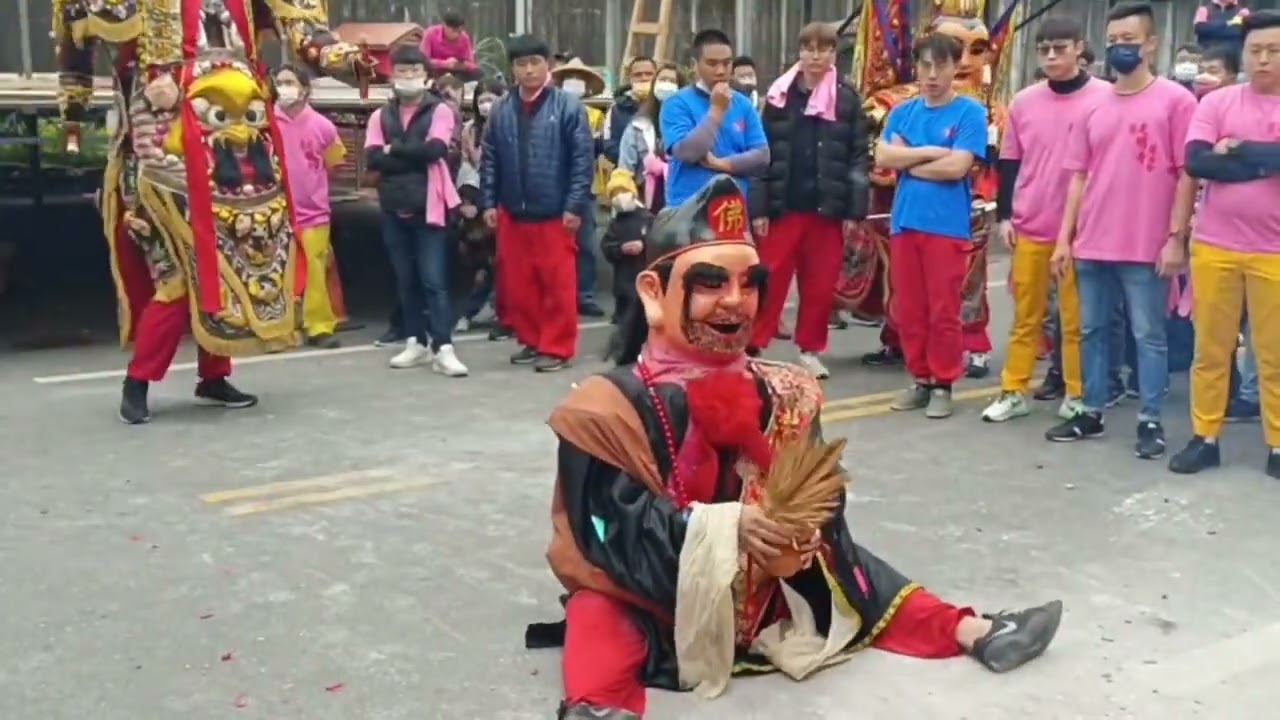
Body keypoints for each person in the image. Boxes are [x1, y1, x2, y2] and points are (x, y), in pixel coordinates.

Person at [528, 174, 1063, 719]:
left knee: (853, 569)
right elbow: (606, 534)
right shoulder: (604, 409)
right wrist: (721, 527)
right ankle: (596, 707)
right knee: (598, 609)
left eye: (749, 282)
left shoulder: (785, 388)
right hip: (660, 596)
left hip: (764, 588)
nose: (735, 302)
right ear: (653, 293)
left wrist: (802, 533)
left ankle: (972, 631)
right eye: (710, 283)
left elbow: (820, 495)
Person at [1043, 2, 1198, 457]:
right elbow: (1078, 176)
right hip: (1092, 243)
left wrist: (1176, 237)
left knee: (1148, 335)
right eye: (1113, 42)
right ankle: (1091, 410)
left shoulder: (1176, 101)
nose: (1120, 49)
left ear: (1151, 44)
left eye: (1129, 41)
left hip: (1146, 245)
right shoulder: (1093, 106)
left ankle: (1150, 421)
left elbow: (1187, 173)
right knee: (1091, 330)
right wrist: (1064, 240)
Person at [980, 17, 1111, 424]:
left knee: (1075, 319)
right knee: (1026, 317)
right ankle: (1014, 389)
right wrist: (1005, 215)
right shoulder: (1024, 101)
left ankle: (1076, 393)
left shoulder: (1105, 98)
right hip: (1031, 222)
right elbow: (1010, 160)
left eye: (1060, 48)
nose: (1052, 56)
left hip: (1081, 229)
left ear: (1079, 48)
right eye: (1044, 50)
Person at [1168, 10, 1280, 477]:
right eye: (1256, 50)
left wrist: (1237, 150)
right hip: (1214, 245)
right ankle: (1205, 436)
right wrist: (1267, 160)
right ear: (1244, 54)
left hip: (1274, 251)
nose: (1264, 59)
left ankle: (1277, 445)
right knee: (1210, 351)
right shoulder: (1216, 104)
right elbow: (1196, 163)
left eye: (1274, 51)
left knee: (1274, 354)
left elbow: (1221, 159)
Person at [874, 34, 989, 420]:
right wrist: (931, 153)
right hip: (905, 222)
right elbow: (883, 155)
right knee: (909, 308)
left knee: (943, 309)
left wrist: (909, 160)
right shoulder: (902, 113)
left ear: (955, 67)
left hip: (946, 226)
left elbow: (958, 167)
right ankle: (920, 378)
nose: (933, 74)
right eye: (925, 65)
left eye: (941, 65)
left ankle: (943, 382)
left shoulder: (969, 113)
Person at [747, 22, 870, 380]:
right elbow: (761, 154)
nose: (816, 57)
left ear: (834, 55)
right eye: (809, 49)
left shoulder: (847, 99)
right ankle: (754, 344)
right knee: (769, 279)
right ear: (799, 52)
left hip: (827, 209)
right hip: (783, 205)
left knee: (818, 286)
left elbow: (858, 156)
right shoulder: (778, 97)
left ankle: (810, 349)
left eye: (825, 50)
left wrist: (854, 209)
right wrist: (759, 206)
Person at [480, 35, 594, 372]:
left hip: (556, 212)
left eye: (535, 63)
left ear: (548, 65)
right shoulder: (501, 109)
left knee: (557, 284)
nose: (528, 70)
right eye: (521, 64)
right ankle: (531, 340)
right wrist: (488, 202)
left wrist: (575, 205)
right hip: (514, 212)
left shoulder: (568, 106)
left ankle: (557, 347)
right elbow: (489, 159)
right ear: (512, 69)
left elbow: (582, 160)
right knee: (519, 286)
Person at [363, 44, 469, 377]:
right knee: (406, 280)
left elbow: (436, 149)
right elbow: (373, 157)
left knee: (434, 281)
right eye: (402, 71)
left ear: (427, 77)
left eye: (414, 72)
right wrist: (406, 153)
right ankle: (415, 342)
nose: (408, 77)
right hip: (394, 205)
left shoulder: (440, 111)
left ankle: (444, 347)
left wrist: (393, 149)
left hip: (430, 207)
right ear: (392, 76)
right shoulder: (380, 116)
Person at [273, 64, 347, 351]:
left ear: (304, 88)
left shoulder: (323, 126)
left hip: (313, 212)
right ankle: (281, 327)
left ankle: (319, 327)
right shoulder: (267, 122)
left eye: (289, 82)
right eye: (279, 82)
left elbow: (335, 164)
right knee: (280, 270)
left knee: (315, 271)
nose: (283, 88)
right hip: (276, 211)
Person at [661, 29, 769, 207]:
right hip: (688, 210)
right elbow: (687, 152)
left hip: (734, 209)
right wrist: (716, 111)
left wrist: (723, 164)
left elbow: (762, 156)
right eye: (712, 63)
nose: (720, 71)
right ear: (694, 64)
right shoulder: (676, 103)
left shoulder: (743, 104)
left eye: (726, 63)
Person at [551, 57, 610, 319]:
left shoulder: (597, 115)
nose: (573, 84)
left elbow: (598, 149)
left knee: (585, 244)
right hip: (554, 185)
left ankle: (584, 295)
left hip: (587, 185)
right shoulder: (550, 111)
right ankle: (557, 296)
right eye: (568, 79)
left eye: (579, 80)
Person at [456, 80, 506, 335]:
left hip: (505, 199)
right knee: (482, 262)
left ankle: (501, 313)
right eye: (481, 99)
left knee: (503, 262)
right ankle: (471, 311)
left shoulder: (510, 126)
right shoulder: (469, 131)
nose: (486, 104)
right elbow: (465, 168)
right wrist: (466, 202)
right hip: (477, 200)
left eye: (491, 98)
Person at [617, 63, 685, 213]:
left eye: (672, 81)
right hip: (644, 206)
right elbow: (624, 169)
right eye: (662, 79)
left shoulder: (691, 124)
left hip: (682, 205)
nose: (666, 85)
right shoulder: (638, 126)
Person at [599, 169, 652, 358]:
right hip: (623, 280)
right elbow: (606, 246)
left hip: (643, 277)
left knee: (642, 317)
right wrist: (620, 249)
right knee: (624, 317)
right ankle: (621, 349)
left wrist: (643, 244)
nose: (619, 197)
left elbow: (656, 241)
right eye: (614, 193)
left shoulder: (647, 218)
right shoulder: (616, 224)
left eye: (622, 191)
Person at [603, 56, 658, 166]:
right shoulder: (616, 110)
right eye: (638, 74)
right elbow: (609, 145)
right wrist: (632, 158)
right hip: (628, 175)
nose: (644, 78)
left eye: (649, 74)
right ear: (630, 78)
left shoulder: (667, 105)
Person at [420, 9, 479, 81]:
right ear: (444, 25)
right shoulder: (430, 33)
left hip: (456, 73)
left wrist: (460, 65)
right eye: (454, 31)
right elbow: (423, 60)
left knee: (478, 73)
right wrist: (445, 64)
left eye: (459, 31)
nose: (457, 34)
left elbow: (471, 63)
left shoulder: (464, 37)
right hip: (435, 72)